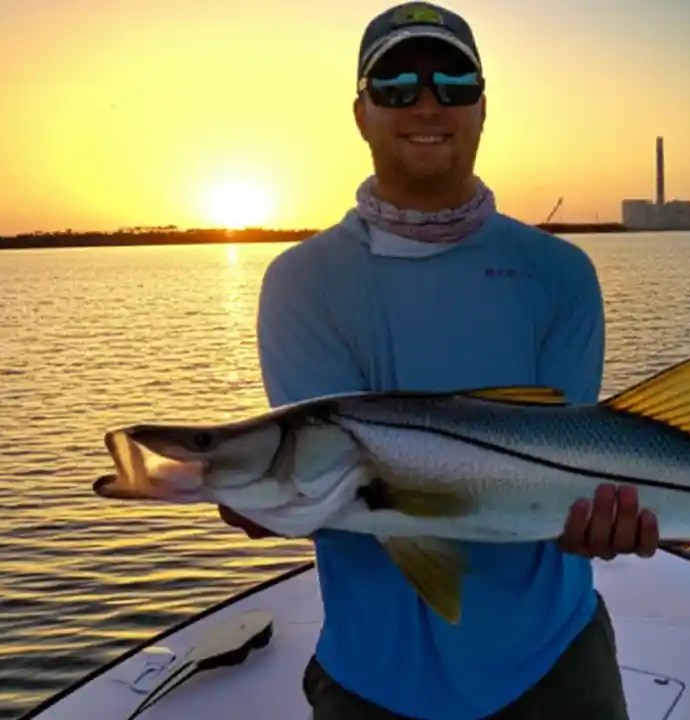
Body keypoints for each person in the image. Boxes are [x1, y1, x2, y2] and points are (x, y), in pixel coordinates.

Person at [217, 3, 660, 718]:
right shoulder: (302, 281)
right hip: (372, 676)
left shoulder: (560, 272)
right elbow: (333, 482)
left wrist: (604, 515)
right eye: (395, 84)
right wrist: (271, 501)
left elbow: (569, 458)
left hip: (553, 660)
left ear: (483, 107)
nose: (428, 102)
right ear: (360, 112)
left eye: (454, 80)